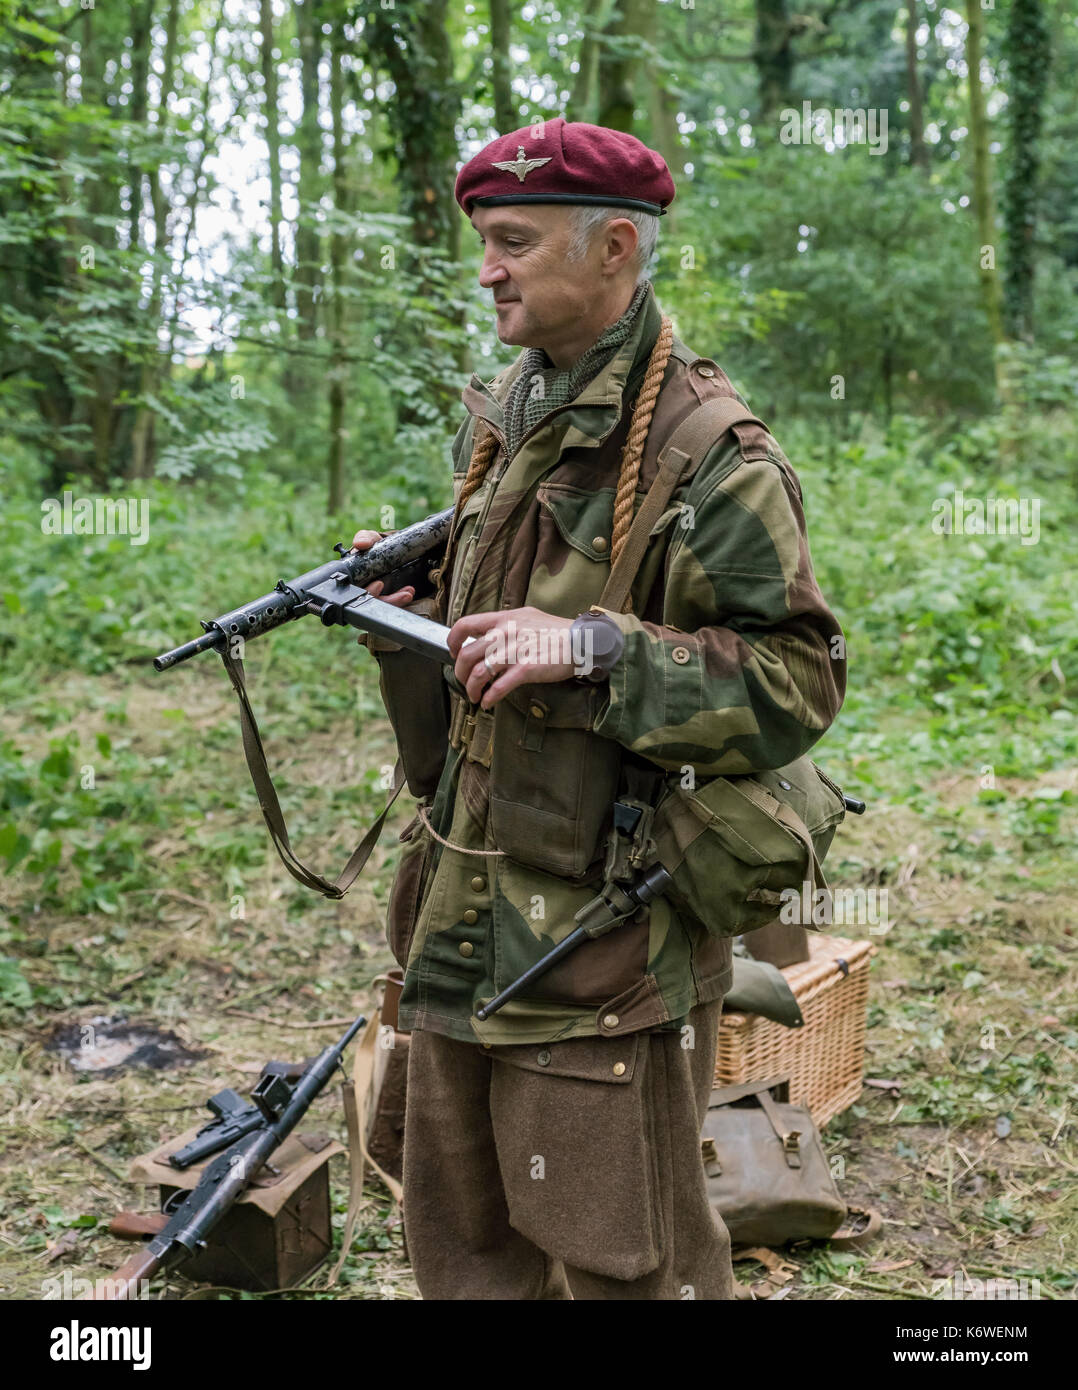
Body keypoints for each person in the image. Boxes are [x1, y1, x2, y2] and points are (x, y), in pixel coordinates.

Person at [352, 116, 846, 1300]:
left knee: (629, 1256)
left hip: (601, 934)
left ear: (615, 247)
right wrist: (420, 603)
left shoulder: (708, 453)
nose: (487, 270)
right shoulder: (512, 420)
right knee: (463, 1235)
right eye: (483, 241)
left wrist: (594, 646)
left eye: (514, 241)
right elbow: (499, 629)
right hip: (468, 900)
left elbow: (797, 681)